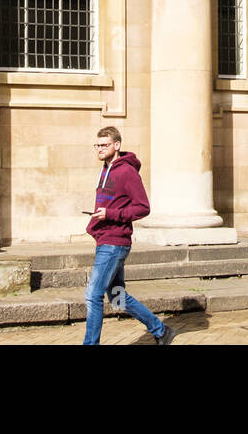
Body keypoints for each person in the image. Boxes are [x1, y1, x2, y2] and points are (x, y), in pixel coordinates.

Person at [83, 126, 174, 345]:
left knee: (92, 295)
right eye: (98, 145)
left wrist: (111, 214)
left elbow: (143, 207)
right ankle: (160, 330)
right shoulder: (105, 170)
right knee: (117, 297)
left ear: (117, 145)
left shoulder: (126, 172)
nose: (100, 149)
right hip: (105, 239)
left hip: (115, 244)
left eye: (105, 145)